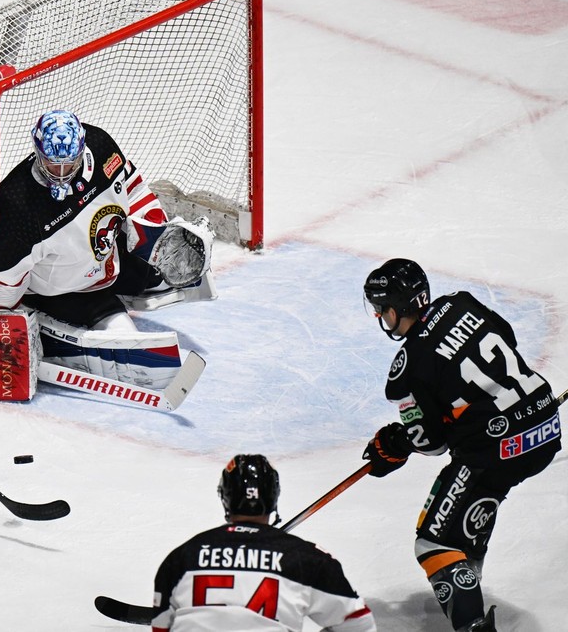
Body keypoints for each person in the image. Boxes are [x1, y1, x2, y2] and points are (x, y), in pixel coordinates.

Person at [360, 258, 560, 632]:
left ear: (395, 309)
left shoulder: (406, 368)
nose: (379, 317)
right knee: (479, 493)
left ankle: (471, 623)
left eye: (380, 309)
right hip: (545, 424)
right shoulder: (461, 302)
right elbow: (508, 339)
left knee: (433, 543)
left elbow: (432, 443)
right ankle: (467, 577)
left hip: (496, 447)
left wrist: (396, 443)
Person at [0, 109, 213, 401]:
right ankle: (104, 321)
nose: (62, 172)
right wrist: (9, 329)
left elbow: (133, 190)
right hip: (65, 290)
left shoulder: (100, 146)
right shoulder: (18, 205)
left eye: (69, 163)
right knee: (115, 321)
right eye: (53, 164)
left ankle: (143, 279)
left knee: (160, 268)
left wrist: (154, 233)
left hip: (109, 257)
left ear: (82, 147)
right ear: (37, 152)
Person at [150, 454, 376, 632]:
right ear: (274, 496)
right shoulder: (307, 559)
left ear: (225, 497)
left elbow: (161, 627)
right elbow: (359, 625)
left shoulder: (182, 557)